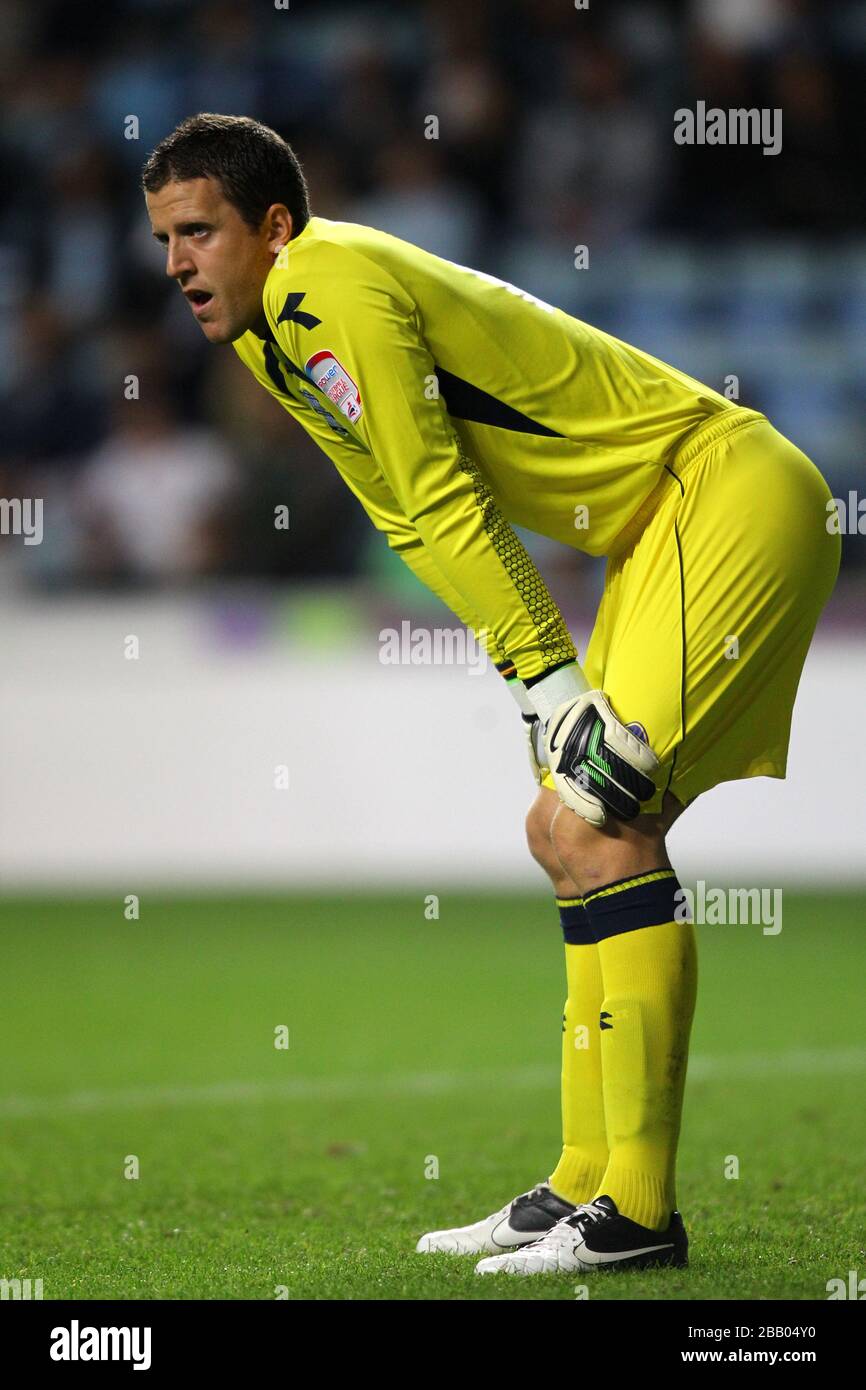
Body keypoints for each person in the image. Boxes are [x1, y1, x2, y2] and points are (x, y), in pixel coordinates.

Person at [143, 113, 840, 1276]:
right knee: (562, 833)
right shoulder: (269, 335)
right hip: (653, 531)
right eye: (165, 238)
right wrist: (535, 681)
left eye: (199, 232)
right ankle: (579, 1184)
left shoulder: (326, 288)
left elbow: (442, 496)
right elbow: (407, 514)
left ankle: (638, 1212)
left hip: (719, 490)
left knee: (595, 817)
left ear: (273, 227)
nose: (175, 263)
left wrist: (543, 672)